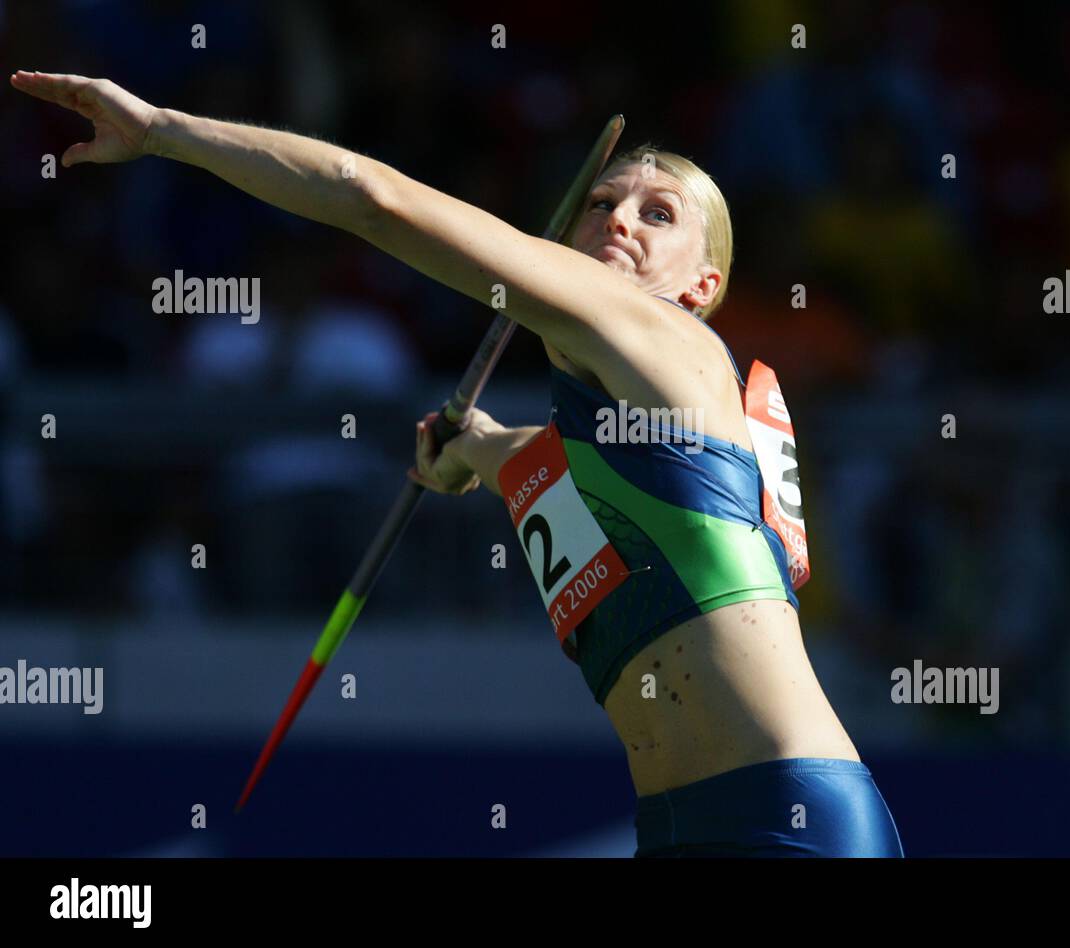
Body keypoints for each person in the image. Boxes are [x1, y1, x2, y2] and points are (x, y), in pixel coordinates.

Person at [11, 70, 903, 857]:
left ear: (701, 287)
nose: (617, 220)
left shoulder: (665, 335)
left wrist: (165, 129)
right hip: (678, 829)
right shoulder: (604, 431)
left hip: (789, 819)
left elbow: (372, 197)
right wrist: (468, 448)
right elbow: (534, 462)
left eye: (656, 213)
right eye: (600, 202)